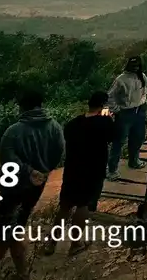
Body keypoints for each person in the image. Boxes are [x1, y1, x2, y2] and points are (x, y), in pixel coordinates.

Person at [0, 87, 65, 278]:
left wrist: (29, 171)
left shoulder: (14, 131)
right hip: (36, 187)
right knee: (16, 224)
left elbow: (7, 158)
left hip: (13, 186)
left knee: (8, 227)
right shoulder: (55, 127)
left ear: (22, 107)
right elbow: (59, 151)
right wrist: (44, 171)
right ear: (41, 105)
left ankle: (22, 272)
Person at [44, 90, 117, 256]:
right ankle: (75, 243)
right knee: (83, 205)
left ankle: (51, 243)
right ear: (103, 106)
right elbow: (114, 137)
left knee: (65, 206)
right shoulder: (104, 122)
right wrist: (110, 118)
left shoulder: (73, 123)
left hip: (72, 169)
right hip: (93, 170)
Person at [107, 55, 147, 180]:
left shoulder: (142, 76)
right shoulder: (121, 80)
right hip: (125, 113)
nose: (135, 68)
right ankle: (112, 170)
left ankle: (134, 161)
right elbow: (110, 96)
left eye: (137, 66)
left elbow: (144, 92)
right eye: (133, 66)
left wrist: (143, 104)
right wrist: (118, 110)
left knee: (138, 138)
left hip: (140, 110)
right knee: (119, 141)